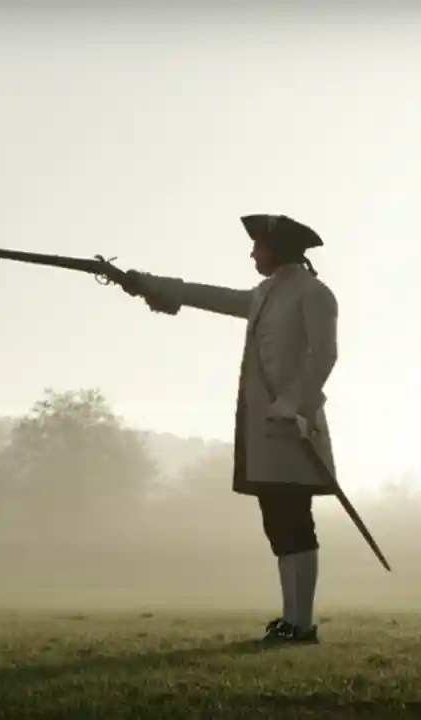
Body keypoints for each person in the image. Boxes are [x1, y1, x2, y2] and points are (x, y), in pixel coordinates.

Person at [125, 214, 339, 644]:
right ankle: (290, 619)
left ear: (277, 249)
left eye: (258, 245)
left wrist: (291, 403)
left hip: (293, 427)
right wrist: (151, 284)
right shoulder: (265, 294)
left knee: (296, 521)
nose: (252, 253)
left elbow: (324, 356)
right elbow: (209, 296)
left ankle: (302, 623)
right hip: (264, 429)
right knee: (278, 523)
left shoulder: (315, 294)